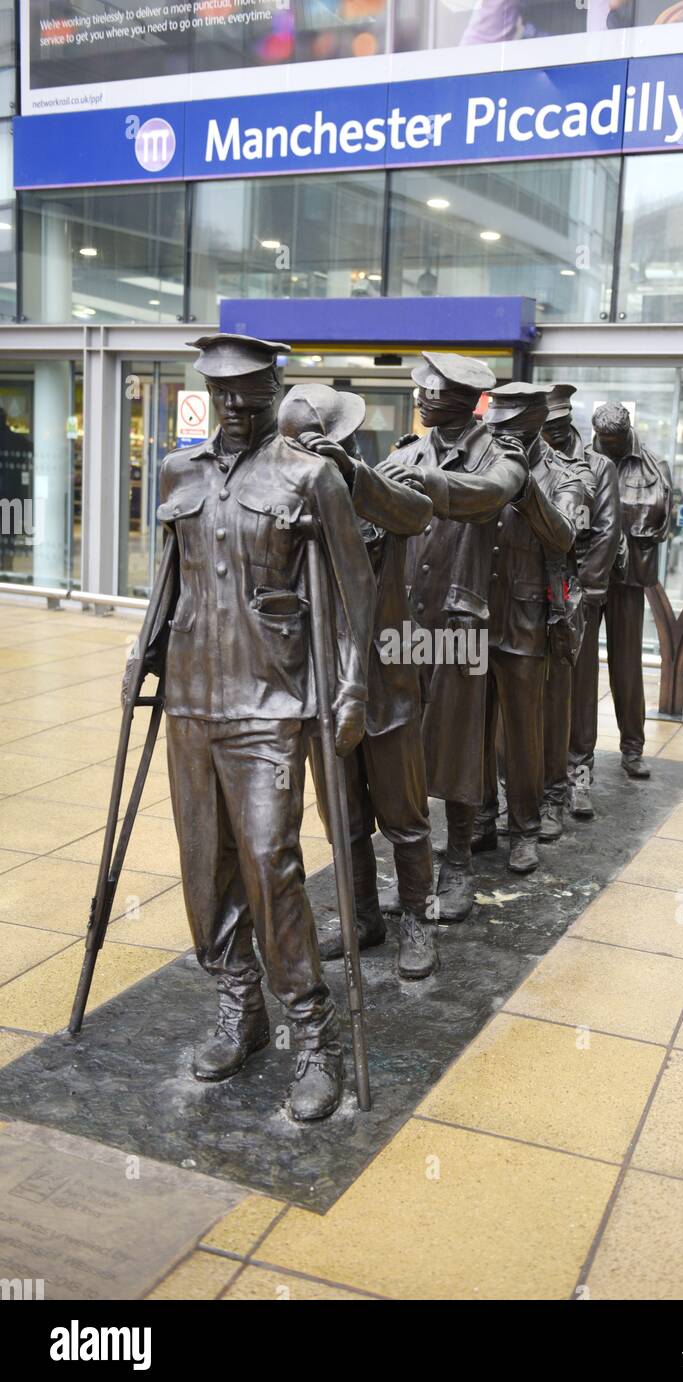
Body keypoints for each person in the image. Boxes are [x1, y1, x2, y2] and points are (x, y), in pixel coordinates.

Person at [123, 334, 377, 1123]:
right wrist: (142, 652)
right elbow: (170, 579)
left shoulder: (311, 475)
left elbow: (355, 586)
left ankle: (313, 1034)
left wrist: (353, 686)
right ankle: (242, 1007)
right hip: (192, 700)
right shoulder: (178, 473)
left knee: (271, 864)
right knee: (206, 870)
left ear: (274, 389)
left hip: (271, 703)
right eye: (222, 392)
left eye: (251, 392)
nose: (236, 406)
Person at [280, 381, 439, 981]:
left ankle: (417, 920)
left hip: (386, 679)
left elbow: (417, 514)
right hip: (322, 682)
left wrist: (350, 473)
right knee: (342, 819)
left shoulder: (382, 484)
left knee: (404, 814)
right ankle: (361, 916)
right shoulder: (288, 500)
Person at [376, 351, 530, 923]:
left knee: (461, 743)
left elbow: (490, 495)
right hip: (407, 620)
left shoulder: (500, 452)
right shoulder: (406, 452)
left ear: (462, 398)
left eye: (431, 392)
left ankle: (460, 862)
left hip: (461, 618)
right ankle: (412, 869)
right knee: (404, 745)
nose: (420, 399)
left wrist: (429, 481)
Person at [473, 382, 591, 867]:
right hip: (476, 615)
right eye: (493, 428)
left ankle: (523, 826)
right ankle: (480, 815)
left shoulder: (567, 474)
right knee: (473, 727)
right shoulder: (480, 463)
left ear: (534, 428)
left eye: (508, 430)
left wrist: (524, 487)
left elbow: (564, 536)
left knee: (523, 731)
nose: (497, 437)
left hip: (528, 616)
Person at [571, 401, 672, 787]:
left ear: (627, 433)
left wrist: (621, 529)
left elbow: (662, 521)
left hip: (628, 579)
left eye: (615, 439)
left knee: (627, 666)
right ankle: (580, 756)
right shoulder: (584, 462)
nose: (608, 445)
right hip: (588, 574)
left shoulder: (653, 466)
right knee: (582, 670)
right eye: (603, 439)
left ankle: (633, 747)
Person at [542, 385, 623, 821]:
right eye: (545, 427)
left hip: (576, 592)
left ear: (568, 421)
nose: (552, 434)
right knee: (535, 688)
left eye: (557, 425)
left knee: (579, 685)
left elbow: (607, 531)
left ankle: (579, 772)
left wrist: (584, 592)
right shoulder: (531, 461)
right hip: (535, 589)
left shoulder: (598, 466)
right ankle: (538, 776)